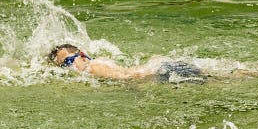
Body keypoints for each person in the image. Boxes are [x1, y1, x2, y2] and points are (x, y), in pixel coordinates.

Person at [48, 44, 205, 83]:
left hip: (163, 72)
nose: (69, 67)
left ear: (82, 56)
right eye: (64, 66)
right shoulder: (99, 61)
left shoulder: (93, 67)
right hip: (160, 68)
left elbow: (126, 78)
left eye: (68, 61)